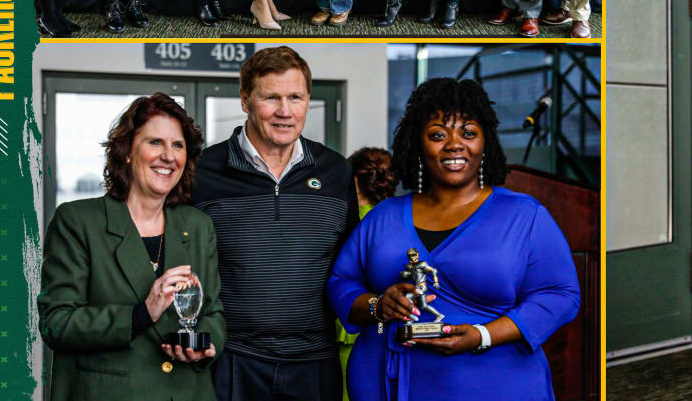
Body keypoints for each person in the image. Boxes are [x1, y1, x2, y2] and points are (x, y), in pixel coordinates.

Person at [327, 78, 580, 401]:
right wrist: (377, 305)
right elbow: (341, 282)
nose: (454, 144)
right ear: (417, 144)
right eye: (437, 135)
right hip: (387, 382)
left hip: (495, 385)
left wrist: (483, 335)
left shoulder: (524, 215)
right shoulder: (384, 216)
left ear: (485, 142)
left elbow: (561, 294)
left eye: (469, 133)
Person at [191, 46, 360, 401]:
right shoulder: (202, 172)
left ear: (307, 100)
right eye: (271, 97)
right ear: (245, 100)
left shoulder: (335, 170)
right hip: (231, 360)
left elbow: (349, 267)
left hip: (315, 361)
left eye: (295, 97)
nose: (285, 111)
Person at [39, 93, 225, 401]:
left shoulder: (198, 224)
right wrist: (141, 313)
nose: (168, 156)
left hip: (186, 392)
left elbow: (213, 313)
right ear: (127, 152)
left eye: (177, 145)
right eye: (155, 143)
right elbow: (57, 324)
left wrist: (206, 347)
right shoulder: (78, 221)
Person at [336, 148, 398, 401]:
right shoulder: (396, 220)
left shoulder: (346, 222)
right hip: (387, 327)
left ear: (352, 179)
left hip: (346, 324)